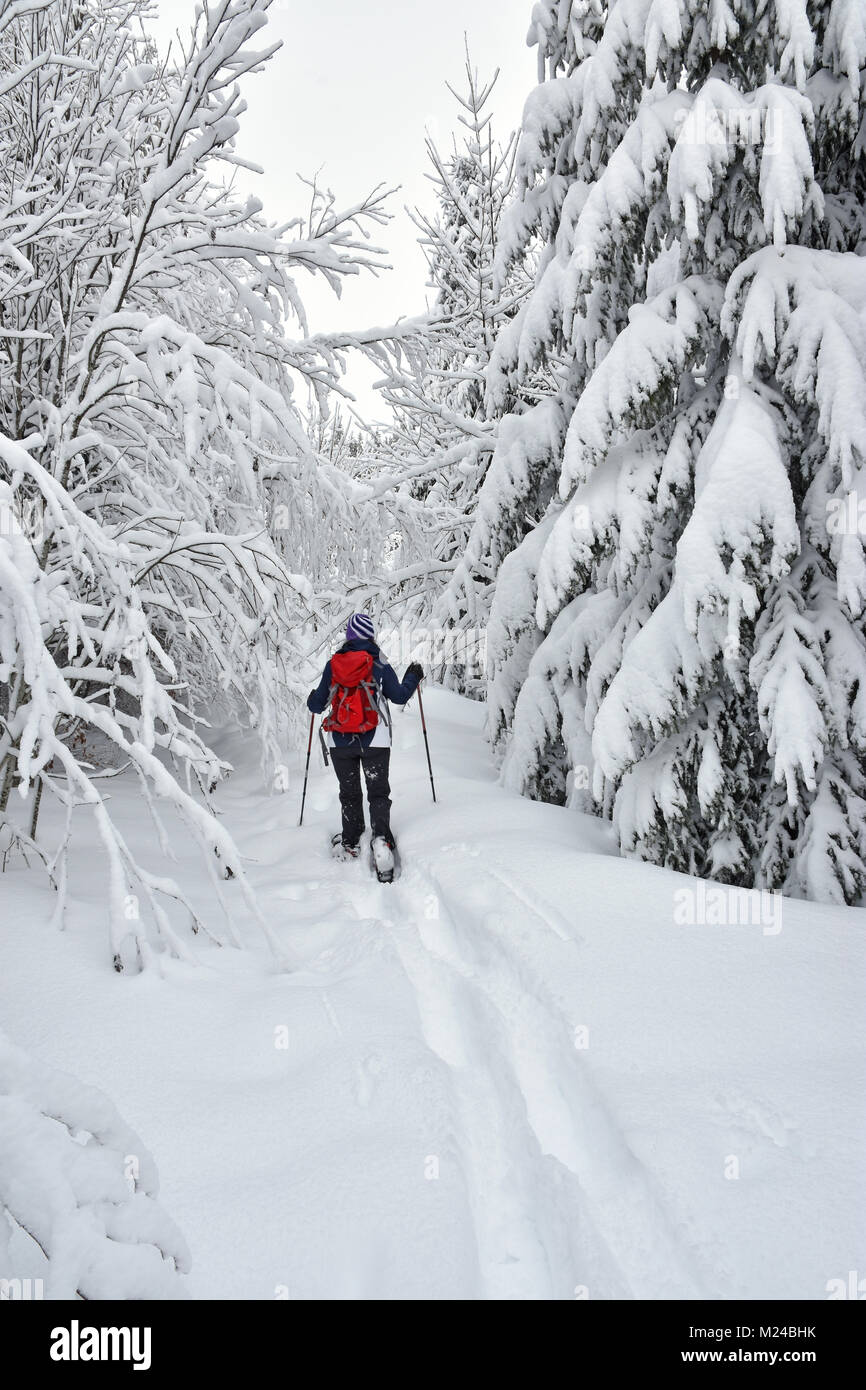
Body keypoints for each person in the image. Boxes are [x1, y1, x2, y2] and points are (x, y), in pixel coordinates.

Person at [307, 613, 423, 864]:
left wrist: (311, 697)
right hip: (375, 740)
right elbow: (400, 696)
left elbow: (317, 705)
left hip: (340, 741)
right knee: (378, 792)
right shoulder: (379, 662)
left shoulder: (334, 664)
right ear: (371, 636)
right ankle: (381, 839)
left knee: (349, 793)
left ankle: (350, 841)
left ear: (349, 637)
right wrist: (413, 676)